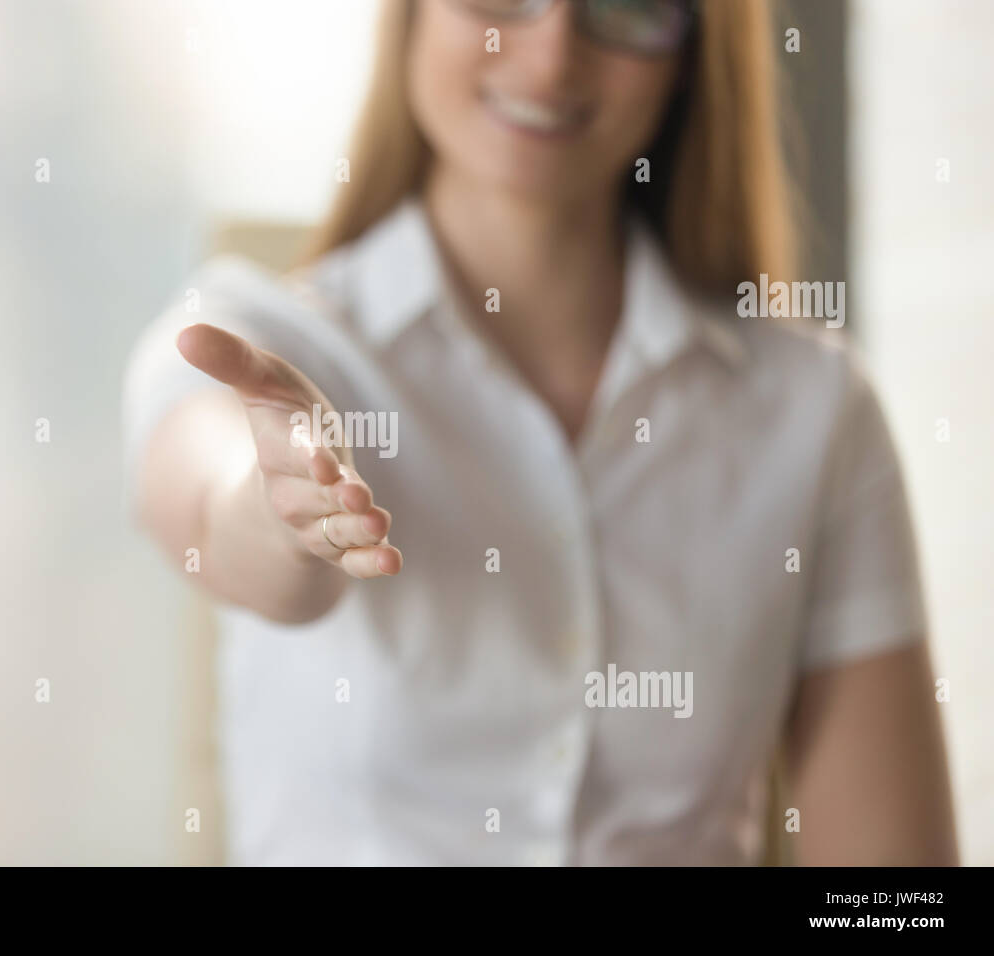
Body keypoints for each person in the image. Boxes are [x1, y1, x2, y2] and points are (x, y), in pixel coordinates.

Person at [122, 0, 958, 865]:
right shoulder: (254, 339)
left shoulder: (814, 410)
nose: (554, 55)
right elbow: (213, 507)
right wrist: (282, 508)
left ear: (694, 46)